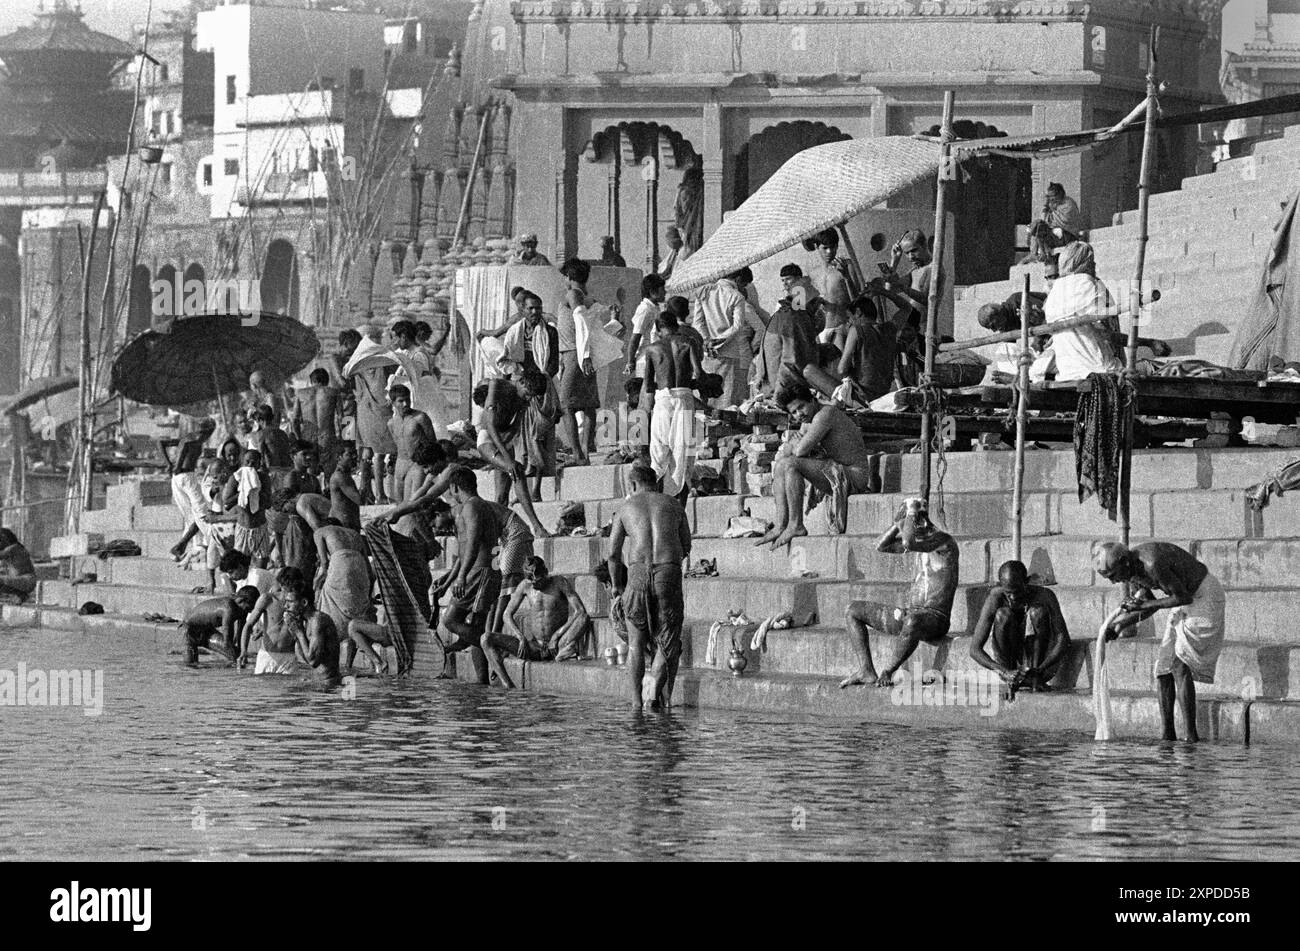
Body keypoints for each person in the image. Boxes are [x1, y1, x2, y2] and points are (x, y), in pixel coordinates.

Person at [1095, 541, 1226, 742]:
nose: (1114, 582)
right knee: (1163, 669)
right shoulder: (1132, 569)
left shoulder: (1151, 564)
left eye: (1113, 576)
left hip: (1203, 596)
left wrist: (1145, 603)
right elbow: (1149, 605)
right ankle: (1167, 736)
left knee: (1180, 665)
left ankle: (1191, 737)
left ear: (1123, 562)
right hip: (1184, 597)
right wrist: (1119, 625)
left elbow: (1181, 597)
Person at [840, 498, 959, 688]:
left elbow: (909, 542)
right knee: (853, 610)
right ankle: (866, 670)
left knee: (913, 621)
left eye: (909, 523)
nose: (906, 527)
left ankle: (888, 670)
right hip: (912, 613)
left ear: (921, 522)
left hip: (935, 619)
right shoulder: (918, 541)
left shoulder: (943, 540)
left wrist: (911, 513)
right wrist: (899, 522)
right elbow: (881, 545)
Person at [607, 464, 691, 711]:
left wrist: (616, 587)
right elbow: (685, 546)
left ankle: (636, 705)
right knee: (667, 640)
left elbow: (612, 554)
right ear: (657, 483)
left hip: (637, 573)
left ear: (632, 485)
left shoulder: (625, 508)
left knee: (635, 644)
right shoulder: (674, 505)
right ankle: (656, 698)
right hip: (668, 571)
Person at [757, 384, 880, 549]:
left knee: (791, 464)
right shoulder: (808, 420)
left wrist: (794, 444)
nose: (799, 414)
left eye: (801, 407)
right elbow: (787, 450)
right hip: (836, 470)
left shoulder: (825, 414)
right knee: (781, 465)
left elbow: (799, 450)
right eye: (794, 412)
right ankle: (781, 524)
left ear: (813, 400)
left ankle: (796, 525)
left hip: (853, 477)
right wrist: (793, 443)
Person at [481, 556, 590, 688]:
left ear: (545, 573)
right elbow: (507, 614)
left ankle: (565, 651)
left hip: (557, 645)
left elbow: (580, 611)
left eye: (537, 580)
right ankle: (508, 685)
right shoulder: (525, 586)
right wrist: (520, 637)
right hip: (533, 647)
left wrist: (556, 635)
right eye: (530, 581)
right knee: (486, 638)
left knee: (584, 619)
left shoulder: (559, 582)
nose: (534, 584)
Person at [434, 466, 504, 660]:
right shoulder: (474, 506)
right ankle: (482, 683)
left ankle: (495, 644)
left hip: (480, 571)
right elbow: (465, 551)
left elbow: (473, 544)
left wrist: (462, 576)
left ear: (455, 487)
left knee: (450, 620)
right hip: (482, 570)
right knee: (475, 627)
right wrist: (449, 580)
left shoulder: (472, 506)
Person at [968, 560, 1070, 693]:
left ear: (1027, 581)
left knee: (1037, 611)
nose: (1013, 597)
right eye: (1008, 593)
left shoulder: (1045, 595)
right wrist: (1004, 671)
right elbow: (974, 649)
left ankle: (1034, 677)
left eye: (1017, 591)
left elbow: (1063, 640)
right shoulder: (995, 598)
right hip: (1009, 667)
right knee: (1003, 615)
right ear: (1001, 585)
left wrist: (1040, 669)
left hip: (1041, 667)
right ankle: (1013, 677)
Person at [473, 372, 550, 536]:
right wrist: (507, 460)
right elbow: (491, 427)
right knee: (517, 471)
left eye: (532, 397)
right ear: (521, 382)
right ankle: (537, 526)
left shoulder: (524, 400)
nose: (529, 399)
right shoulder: (497, 386)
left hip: (503, 442)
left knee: (502, 497)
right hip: (487, 438)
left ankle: (496, 536)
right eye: (528, 394)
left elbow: (514, 429)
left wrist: (503, 456)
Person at [1036, 241, 1122, 382]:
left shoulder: (1052, 295)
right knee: (1149, 367)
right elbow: (1109, 333)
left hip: (1068, 371)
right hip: (1099, 368)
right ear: (1082, 263)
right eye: (1091, 261)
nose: (1094, 266)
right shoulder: (1092, 284)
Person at [643, 308, 703, 500]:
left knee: (659, 456)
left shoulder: (652, 349)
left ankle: (656, 506)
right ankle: (679, 513)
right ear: (676, 326)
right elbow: (699, 375)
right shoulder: (688, 342)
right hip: (684, 399)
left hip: (662, 400)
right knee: (683, 456)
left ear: (659, 330)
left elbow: (648, 385)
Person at [695, 266, 766, 408]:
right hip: (730, 352)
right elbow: (737, 326)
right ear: (738, 279)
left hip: (708, 353)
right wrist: (718, 342)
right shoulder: (736, 296)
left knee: (708, 396)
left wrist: (708, 341)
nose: (743, 288)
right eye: (743, 284)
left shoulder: (703, 291)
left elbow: (697, 322)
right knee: (727, 398)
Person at [556, 258, 601, 464]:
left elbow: (581, 320)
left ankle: (578, 453)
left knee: (566, 404)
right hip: (579, 353)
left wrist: (584, 355)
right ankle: (584, 449)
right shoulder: (588, 298)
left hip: (576, 354)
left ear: (569, 277)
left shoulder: (573, 294)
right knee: (587, 403)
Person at [349, 324, 398, 504]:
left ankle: (373, 493)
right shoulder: (382, 363)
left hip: (364, 412)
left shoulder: (358, 365)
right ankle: (381, 494)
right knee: (384, 452)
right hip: (380, 411)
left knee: (370, 453)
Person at [388, 319, 449, 439]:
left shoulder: (418, 355)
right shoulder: (409, 352)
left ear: (404, 336)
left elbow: (419, 379)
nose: (395, 342)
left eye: (396, 338)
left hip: (423, 400)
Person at [167, 417, 217, 563]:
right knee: (202, 510)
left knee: (191, 514)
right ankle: (210, 542)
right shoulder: (190, 440)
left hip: (179, 478)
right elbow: (180, 461)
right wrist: (175, 468)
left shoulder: (194, 440)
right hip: (185, 477)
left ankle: (184, 548)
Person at [240, 566, 307, 674]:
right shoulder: (267, 599)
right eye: (287, 587)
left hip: (288, 657)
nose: (289, 591)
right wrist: (243, 650)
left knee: (289, 690)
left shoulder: (301, 603)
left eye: (294, 587)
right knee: (263, 690)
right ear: (281, 585)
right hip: (267, 655)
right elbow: (248, 625)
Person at [756, 281, 818, 397]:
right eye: (814, 302)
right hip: (781, 388)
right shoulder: (794, 317)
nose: (816, 307)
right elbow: (790, 361)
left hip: (771, 384)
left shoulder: (783, 314)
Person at [837, 294, 897, 403]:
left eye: (849, 317)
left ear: (858, 312)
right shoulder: (890, 328)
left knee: (809, 371)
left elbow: (841, 370)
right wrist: (881, 291)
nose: (849, 322)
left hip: (862, 396)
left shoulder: (856, 330)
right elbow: (907, 307)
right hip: (883, 393)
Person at [180, 587, 258, 667]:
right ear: (241, 600)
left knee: (237, 656)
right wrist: (230, 650)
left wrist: (241, 652)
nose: (251, 611)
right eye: (249, 608)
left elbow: (241, 631)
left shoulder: (244, 609)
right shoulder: (228, 607)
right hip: (188, 630)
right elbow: (227, 632)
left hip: (207, 632)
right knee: (190, 665)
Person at [223, 448, 273, 568]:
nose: (250, 465)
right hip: (243, 528)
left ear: (259, 464)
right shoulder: (235, 478)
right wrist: (243, 491)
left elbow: (268, 504)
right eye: (247, 462)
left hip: (260, 528)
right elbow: (227, 504)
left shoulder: (264, 478)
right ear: (242, 462)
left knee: (261, 569)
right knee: (241, 568)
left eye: (253, 463)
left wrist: (256, 489)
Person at [387, 383, 435, 505]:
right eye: (401, 401)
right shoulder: (391, 423)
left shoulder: (420, 418)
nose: (406, 404)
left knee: (414, 504)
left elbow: (433, 443)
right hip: (400, 464)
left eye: (408, 399)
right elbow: (397, 445)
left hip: (417, 464)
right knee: (399, 505)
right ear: (393, 403)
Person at [810, 228, 858, 343]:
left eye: (832, 247)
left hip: (841, 327)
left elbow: (857, 299)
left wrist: (846, 276)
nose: (829, 252)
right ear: (816, 247)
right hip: (820, 330)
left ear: (837, 246)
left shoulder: (846, 265)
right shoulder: (812, 274)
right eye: (825, 248)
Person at [1027, 182, 1085, 268]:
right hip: (1056, 237)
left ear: (1059, 194)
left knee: (1040, 226)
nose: (1050, 199)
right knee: (1038, 225)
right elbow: (1045, 220)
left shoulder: (1068, 203)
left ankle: (1042, 253)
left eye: (1052, 196)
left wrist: (1049, 212)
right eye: (1048, 197)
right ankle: (1040, 253)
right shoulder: (1053, 205)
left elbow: (1062, 221)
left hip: (1068, 236)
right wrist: (1047, 208)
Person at [293, 368, 340, 473]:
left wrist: (299, 440)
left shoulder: (300, 393)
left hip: (307, 438)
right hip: (327, 436)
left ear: (311, 381)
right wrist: (347, 440)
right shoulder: (333, 392)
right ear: (327, 381)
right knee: (329, 472)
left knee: (310, 473)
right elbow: (344, 417)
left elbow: (295, 420)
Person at [627, 273, 667, 377]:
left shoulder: (654, 308)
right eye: (662, 290)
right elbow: (635, 337)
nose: (665, 292)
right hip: (644, 358)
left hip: (654, 356)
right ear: (653, 292)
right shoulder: (645, 309)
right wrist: (630, 362)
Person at [328, 444, 362, 531]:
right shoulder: (340, 476)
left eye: (355, 453)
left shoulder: (344, 475)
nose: (354, 457)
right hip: (344, 526)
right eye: (349, 454)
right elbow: (360, 500)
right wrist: (366, 472)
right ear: (339, 458)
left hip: (347, 525)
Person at [0, 528, 37, 605]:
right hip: (24, 580)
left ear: (5, 538)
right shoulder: (13, 549)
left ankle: (21, 594)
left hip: (27, 580)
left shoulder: (14, 548)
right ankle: (21, 594)